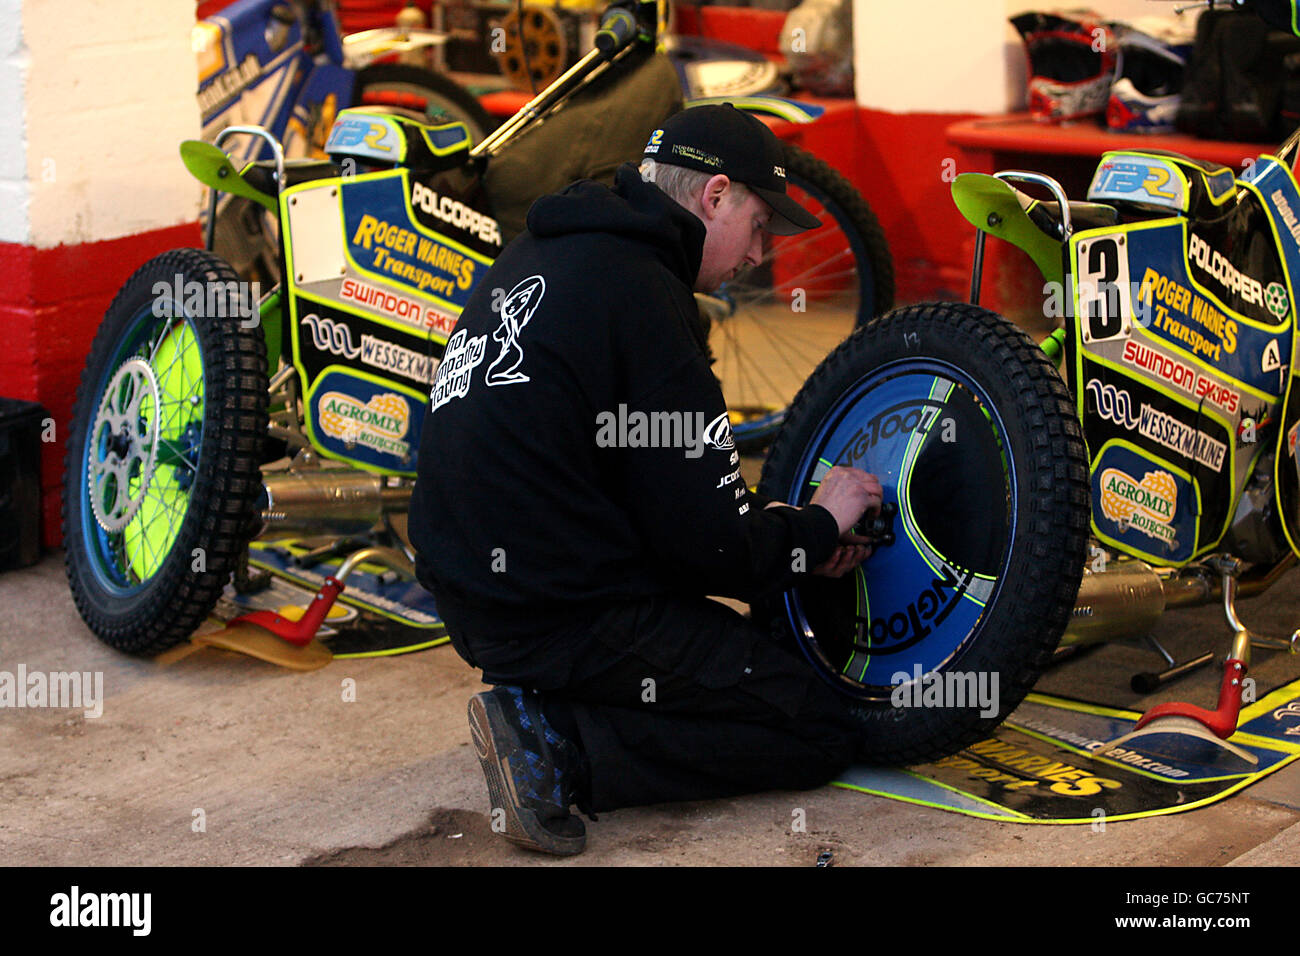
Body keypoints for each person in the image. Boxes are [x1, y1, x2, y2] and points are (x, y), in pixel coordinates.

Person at [407, 104, 882, 856]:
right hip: (556, 611)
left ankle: (550, 703)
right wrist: (820, 524)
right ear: (715, 195)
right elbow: (710, 553)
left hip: (474, 595)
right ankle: (556, 744)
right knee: (813, 725)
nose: (762, 254)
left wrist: (782, 537)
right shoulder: (646, 296)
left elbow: (657, 490)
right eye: (761, 226)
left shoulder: (546, 250)